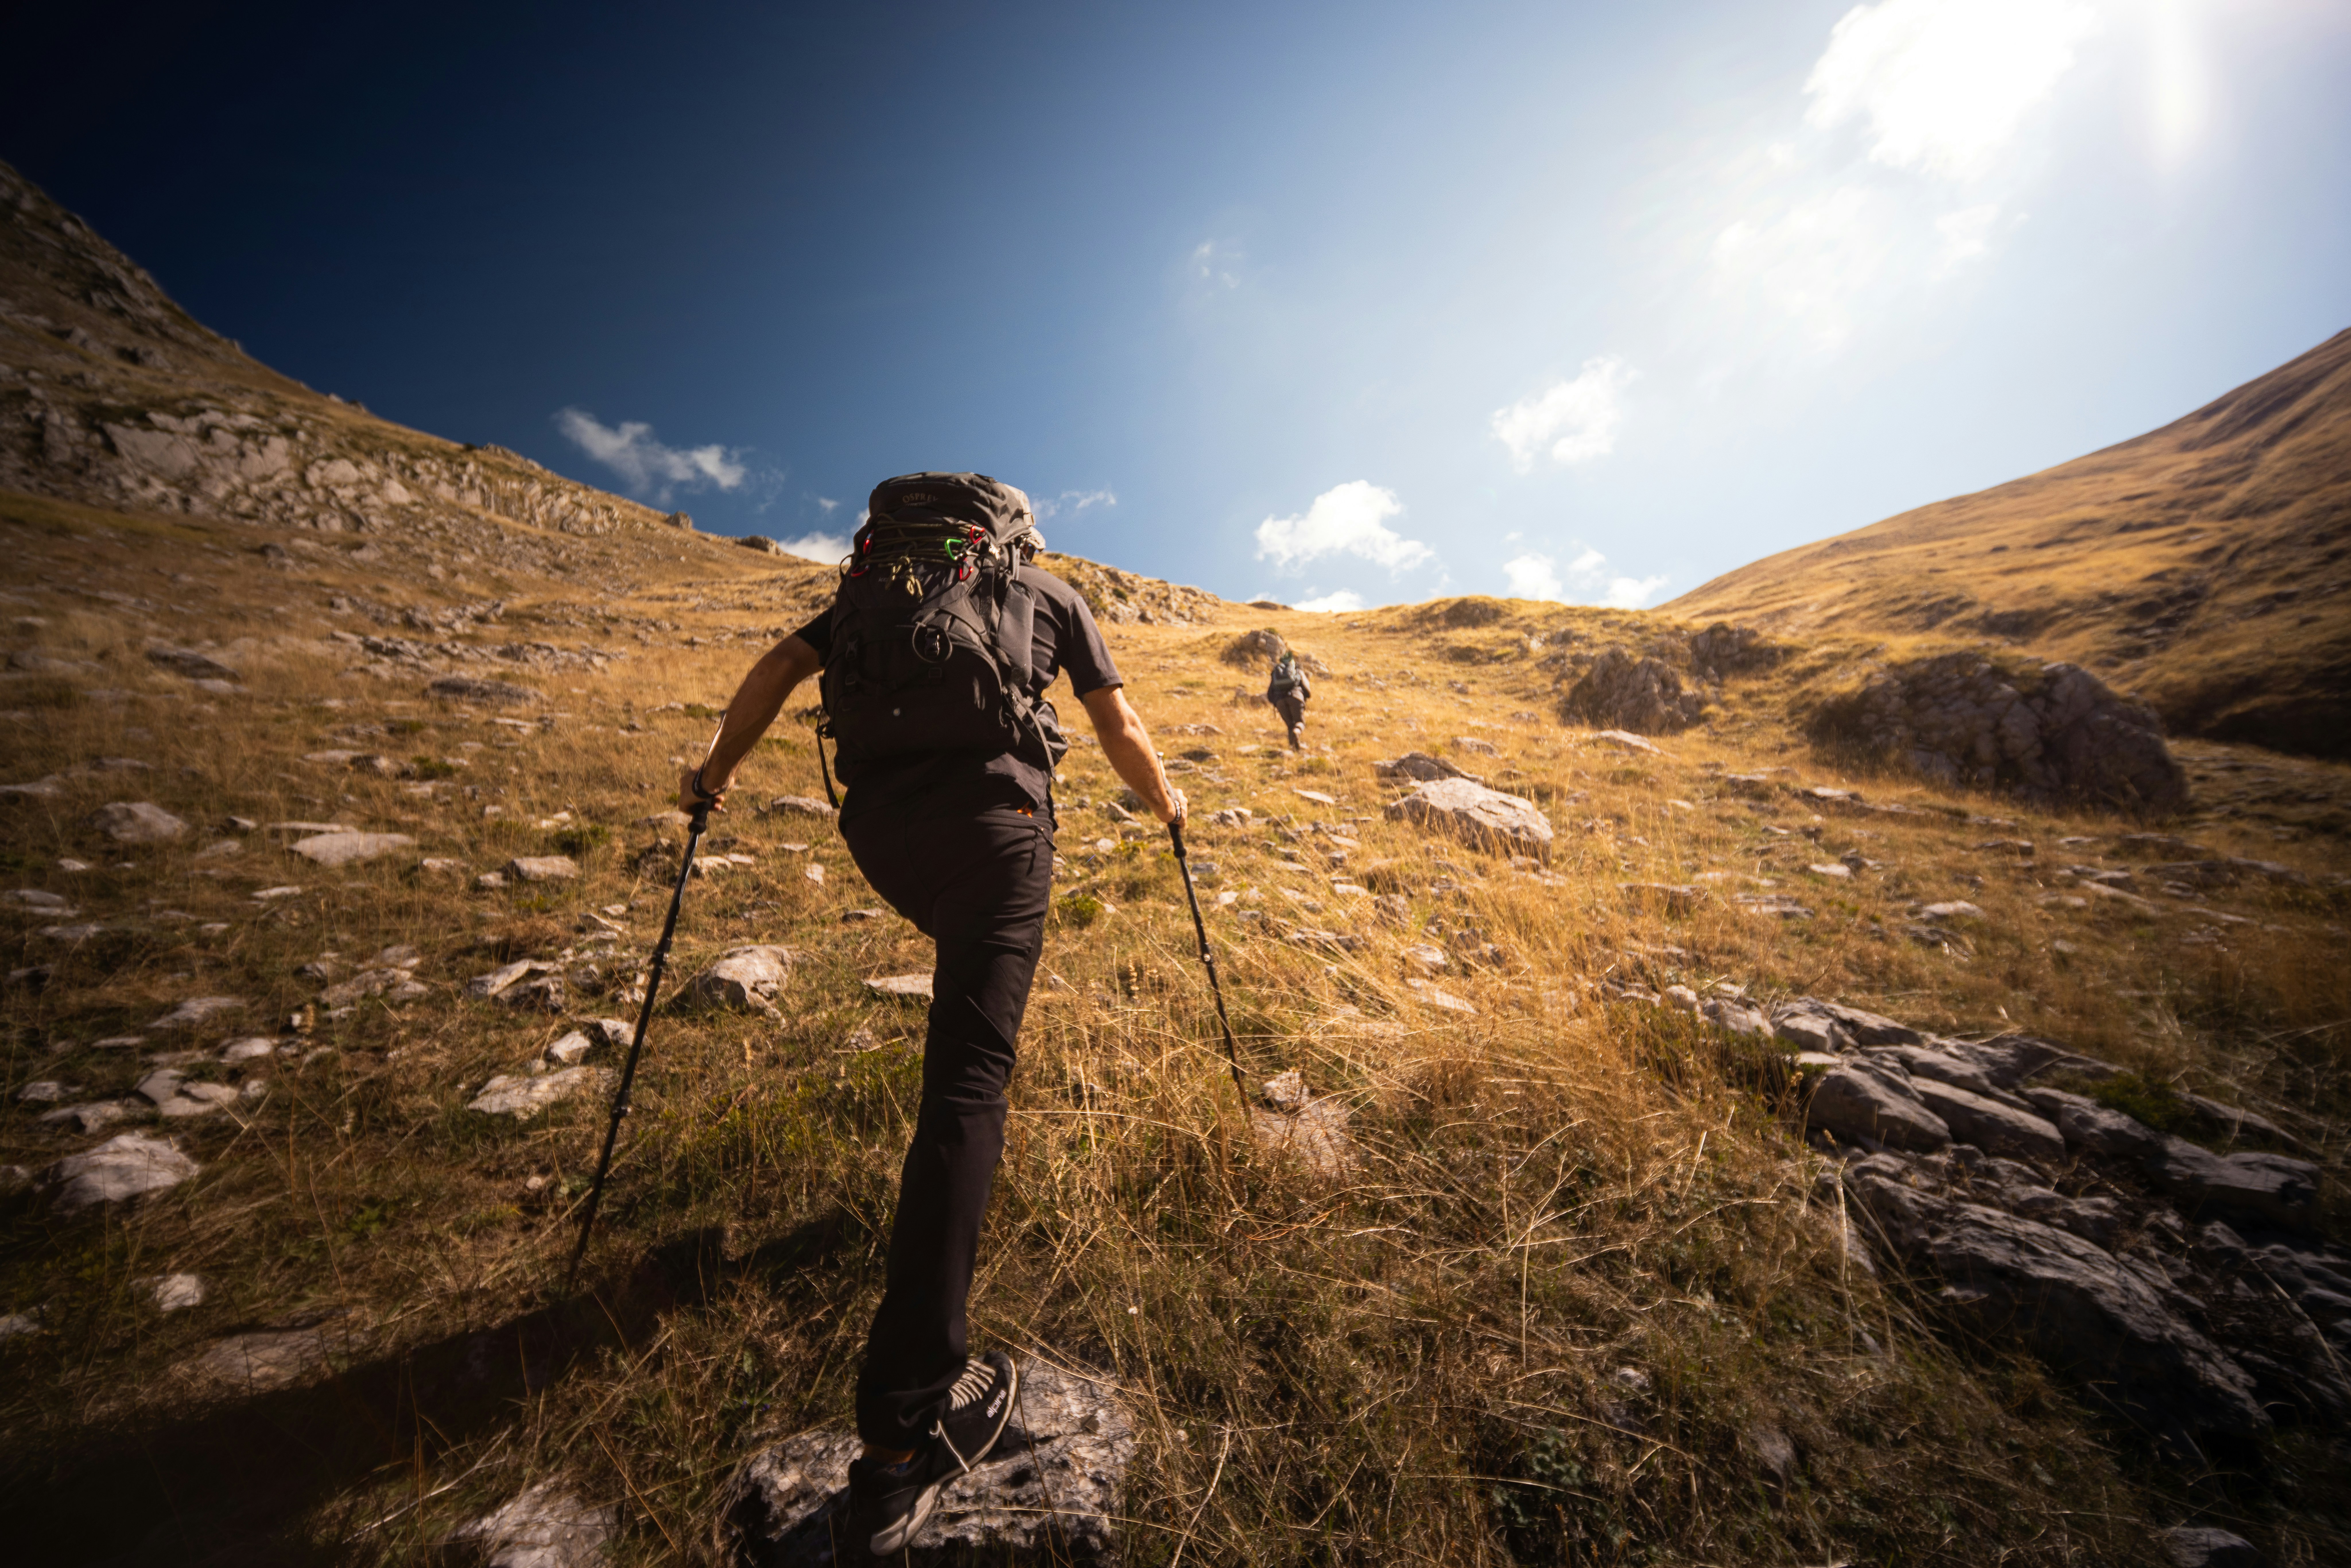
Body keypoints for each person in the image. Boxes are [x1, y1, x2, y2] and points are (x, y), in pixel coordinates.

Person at [676, 472, 1187, 1554]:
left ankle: (906, 1396)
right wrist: (1169, 804)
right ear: (1014, 534)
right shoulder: (1048, 591)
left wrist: (713, 772)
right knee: (965, 1088)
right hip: (996, 829)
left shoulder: (873, 598)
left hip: (881, 837)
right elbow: (1120, 725)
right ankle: (900, 1435)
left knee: (960, 1012)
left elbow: (775, 668)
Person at [1266, 649, 1311, 749]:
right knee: (1300, 723)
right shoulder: (1297, 671)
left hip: (1280, 701)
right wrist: (1305, 697)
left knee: (1290, 725)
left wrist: (1276, 702)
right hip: (1296, 698)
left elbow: (1269, 694)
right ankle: (1297, 733)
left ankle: (1295, 748)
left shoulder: (1276, 673)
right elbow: (1307, 690)